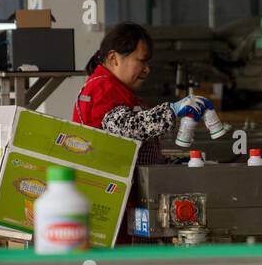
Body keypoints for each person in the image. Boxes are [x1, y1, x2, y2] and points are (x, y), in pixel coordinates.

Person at [73, 21, 211, 166]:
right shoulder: (103, 88)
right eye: (142, 61)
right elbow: (127, 127)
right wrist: (172, 111)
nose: (147, 69)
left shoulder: (115, 88)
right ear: (114, 58)